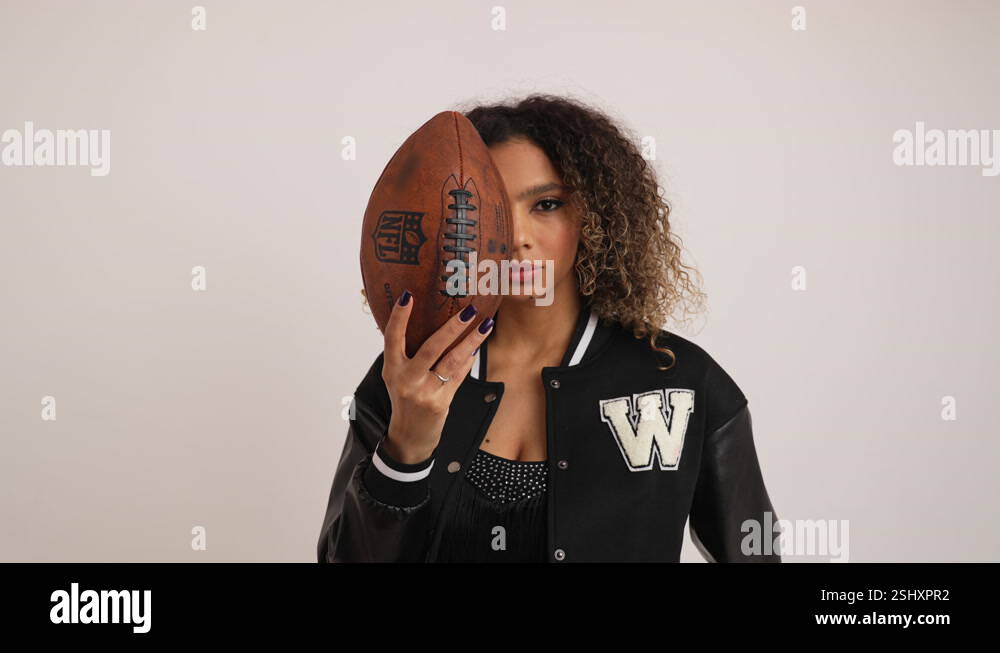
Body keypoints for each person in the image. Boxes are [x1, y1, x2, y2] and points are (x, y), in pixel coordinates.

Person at [317, 94, 781, 563]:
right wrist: (406, 447)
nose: (516, 236)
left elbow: (757, 554)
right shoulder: (409, 377)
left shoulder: (682, 382)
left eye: (546, 204)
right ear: (453, 221)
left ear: (595, 217)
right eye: (490, 207)